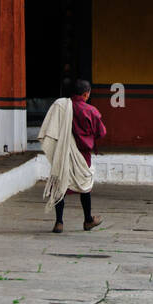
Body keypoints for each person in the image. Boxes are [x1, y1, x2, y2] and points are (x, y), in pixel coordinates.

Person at [39, 79, 105, 233]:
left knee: (60, 184)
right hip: (82, 155)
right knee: (85, 187)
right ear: (86, 94)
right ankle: (88, 220)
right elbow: (101, 132)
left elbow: (51, 128)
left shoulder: (60, 106)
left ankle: (59, 222)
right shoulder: (91, 111)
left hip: (63, 152)